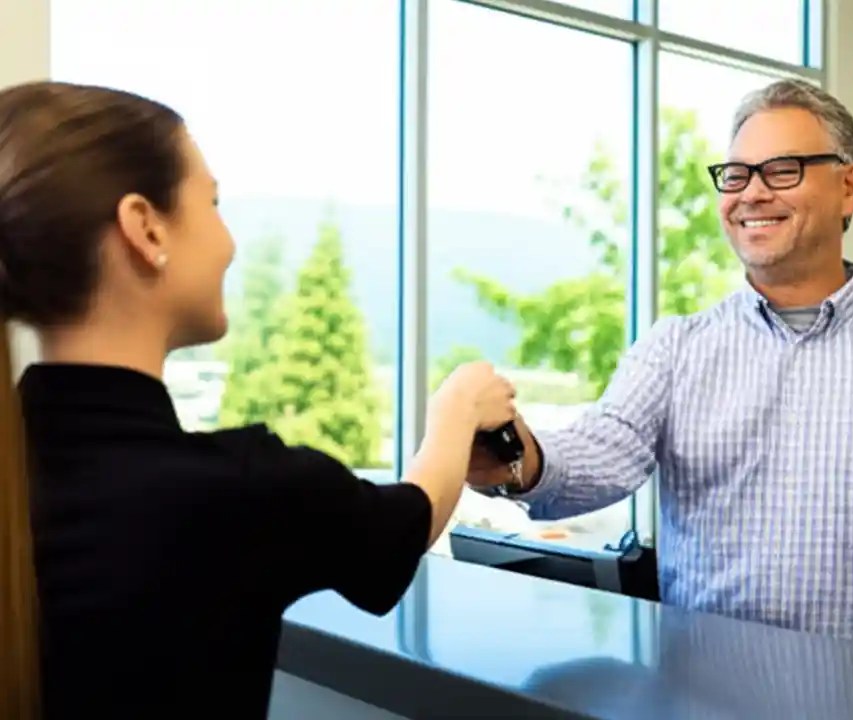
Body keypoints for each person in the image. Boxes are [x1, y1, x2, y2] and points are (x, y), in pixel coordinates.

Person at [468, 79, 853, 676]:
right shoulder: (676, 348)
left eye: (783, 170)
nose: (752, 193)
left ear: (850, 187)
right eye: (738, 175)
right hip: (706, 702)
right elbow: (598, 454)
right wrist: (513, 459)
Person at [0, 81, 516, 719]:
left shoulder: (33, 479)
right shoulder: (239, 492)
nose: (229, 243)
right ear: (145, 227)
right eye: (212, 204)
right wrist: (459, 409)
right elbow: (402, 528)